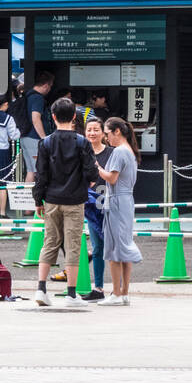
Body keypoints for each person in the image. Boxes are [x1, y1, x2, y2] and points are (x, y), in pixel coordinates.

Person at [32, 97, 100, 308]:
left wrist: (38, 200)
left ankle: (41, 289)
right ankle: (71, 295)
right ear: (73, 117)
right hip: (75, 200)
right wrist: (86, 183)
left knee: (49, 242)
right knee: (73, 245)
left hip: (51, 200)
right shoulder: (83, 142)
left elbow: (40, 175)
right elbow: (92, 171)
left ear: (52, 117)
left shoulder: (45, 142)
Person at [96, 117, 142, 306]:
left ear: (116, 132)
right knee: (124, 245)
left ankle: (115, 293)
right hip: (126, 200)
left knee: (113, 248)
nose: (106, 139)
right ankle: (124, 293)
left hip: (116, 200)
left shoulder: (118, 151)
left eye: (107, 134)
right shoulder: (129, 151)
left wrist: (96, 167)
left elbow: (111, 178)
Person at [81, 115, 111, 301]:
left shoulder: (111, 153)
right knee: (98, 247)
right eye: (89, 130)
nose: (92, 133)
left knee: (115, 246)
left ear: (103, 133)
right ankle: (98, 288)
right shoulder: (82, 152)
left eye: (96, 129)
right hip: (91, 207)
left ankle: (120, 288)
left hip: (110, 203)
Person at [22, 70, 55, 183]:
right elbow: (36, 119)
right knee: (38, 170)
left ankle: (27, 199)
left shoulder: (27, 95)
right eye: (50, 86)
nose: (50, 89)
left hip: (25, 136)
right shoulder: (38, 98)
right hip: (34, 138)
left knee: (31, 170)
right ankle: (36, 199)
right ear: (46, 85)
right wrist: (44, 138)